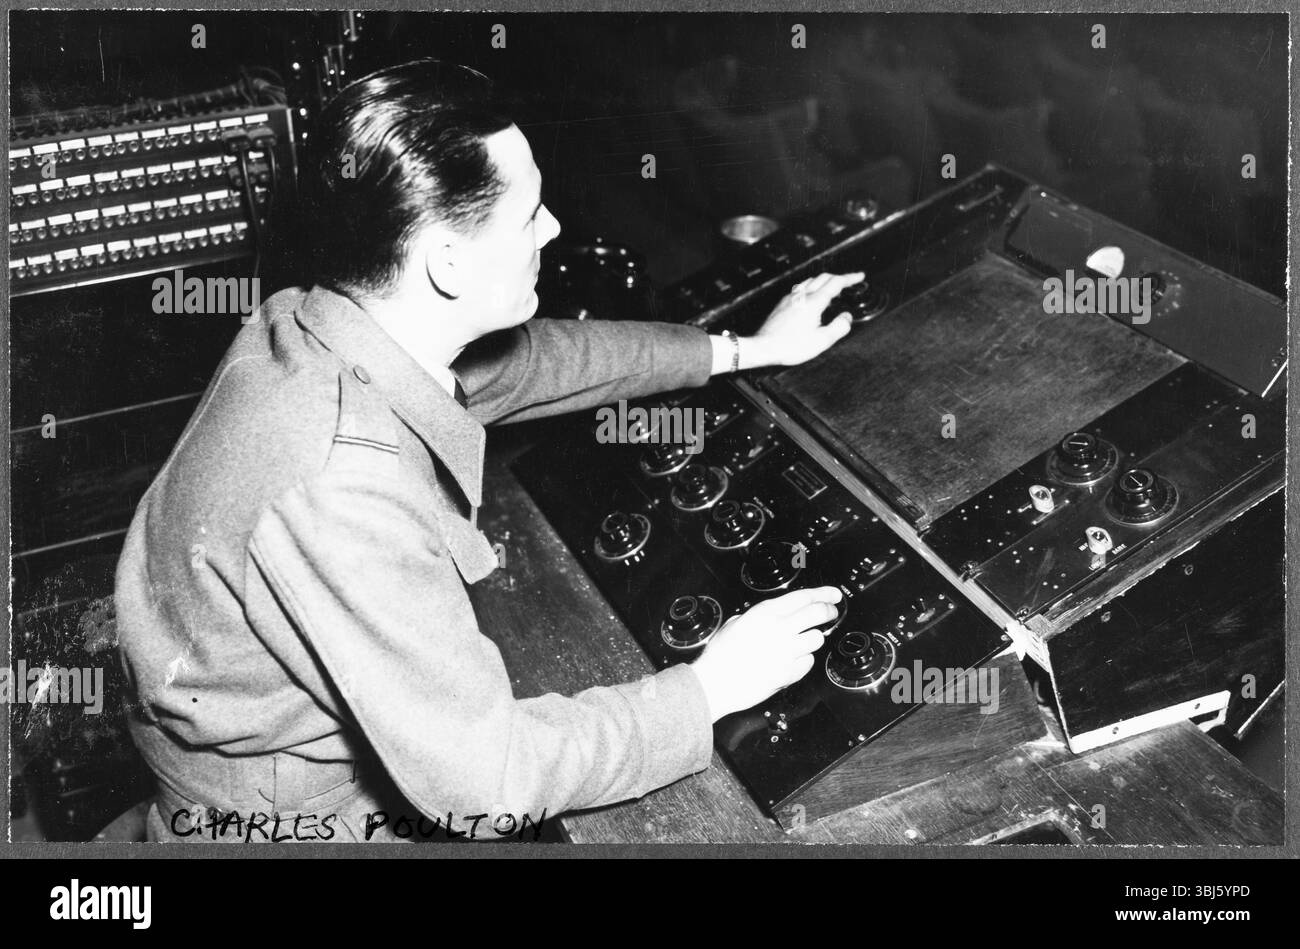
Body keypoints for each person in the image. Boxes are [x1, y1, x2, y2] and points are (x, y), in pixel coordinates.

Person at [114, 59, 863, 842]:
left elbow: (544, 362)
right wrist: (709, 688)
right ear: (446, 262)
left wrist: (743, 349)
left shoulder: (319, 319)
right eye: (530, 214)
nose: (553, 229)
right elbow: (484, 784)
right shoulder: (341, 483)